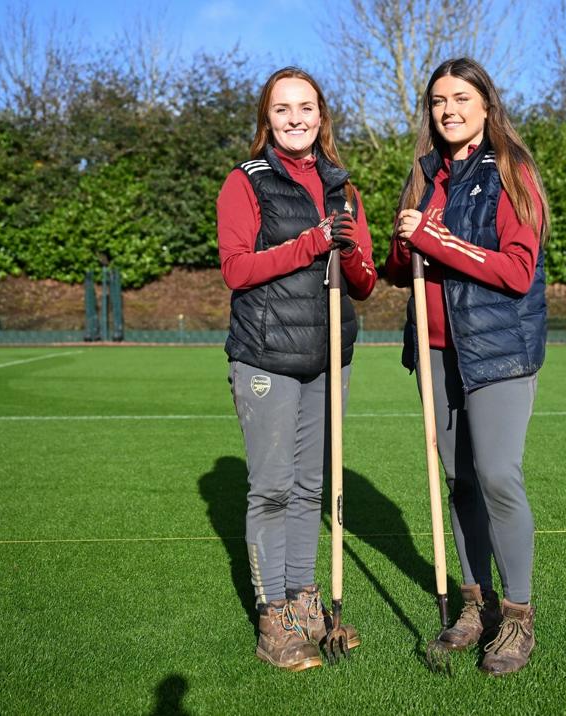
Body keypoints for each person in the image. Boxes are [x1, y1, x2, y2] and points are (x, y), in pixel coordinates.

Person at [385, 58, 549, 676]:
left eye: (459, 98)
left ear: (486, 105)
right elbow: (406, 269)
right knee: (458, 482)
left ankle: (516, 617)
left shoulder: (511, 170)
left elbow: (514, 269)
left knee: (498, 475)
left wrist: (433, 239)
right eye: (436, 101)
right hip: (434, 352)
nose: (446, 109)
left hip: (498, 350)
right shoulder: (426, 174)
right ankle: (474, 605)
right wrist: (405, 243)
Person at [217, 67, 377, 671]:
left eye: (305, 108)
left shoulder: (342, 186)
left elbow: (360, 284)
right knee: (274, 487)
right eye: (282, 109)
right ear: (267, 119)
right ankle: (272, 618)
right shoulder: (246, 182)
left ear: (321, 115)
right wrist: (313, 241)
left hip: (329, 357)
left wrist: (354, 251)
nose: (295, 118)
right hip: (267, 357)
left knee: (312, 486)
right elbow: (237, 269)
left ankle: (304, 600)